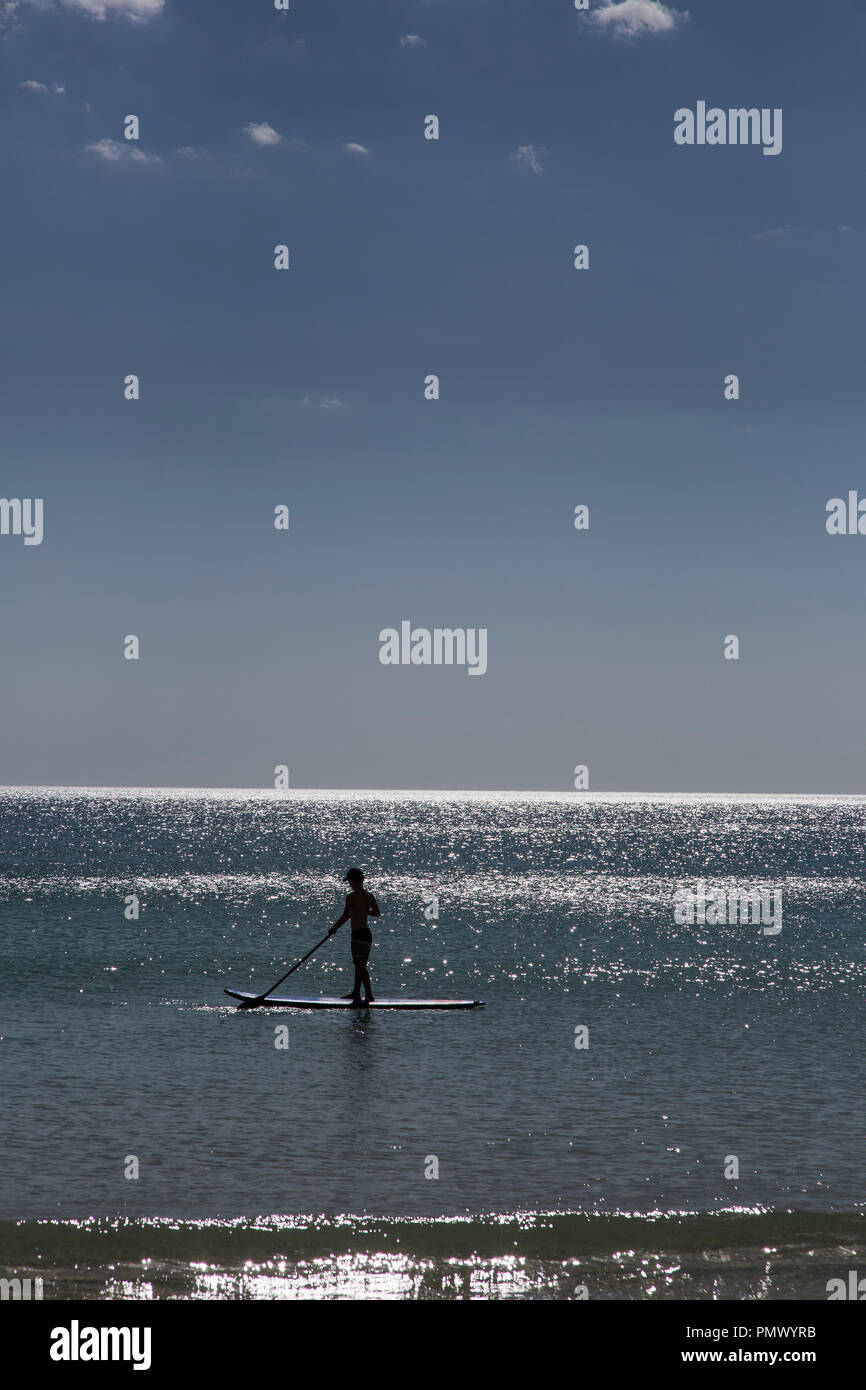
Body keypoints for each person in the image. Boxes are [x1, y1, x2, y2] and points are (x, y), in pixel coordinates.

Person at [328, 867, 380, 1006]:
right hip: (366, 934)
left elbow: (345, 916)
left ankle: (368, 994)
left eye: (350, 881)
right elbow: (376, 912)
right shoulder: (369, 896)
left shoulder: (351, 897)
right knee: (359, 964)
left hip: (359, 934)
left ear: (358, 881)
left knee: (360, 965)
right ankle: (356, 993)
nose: (350, 884)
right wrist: (363, 911)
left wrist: (334, 928)